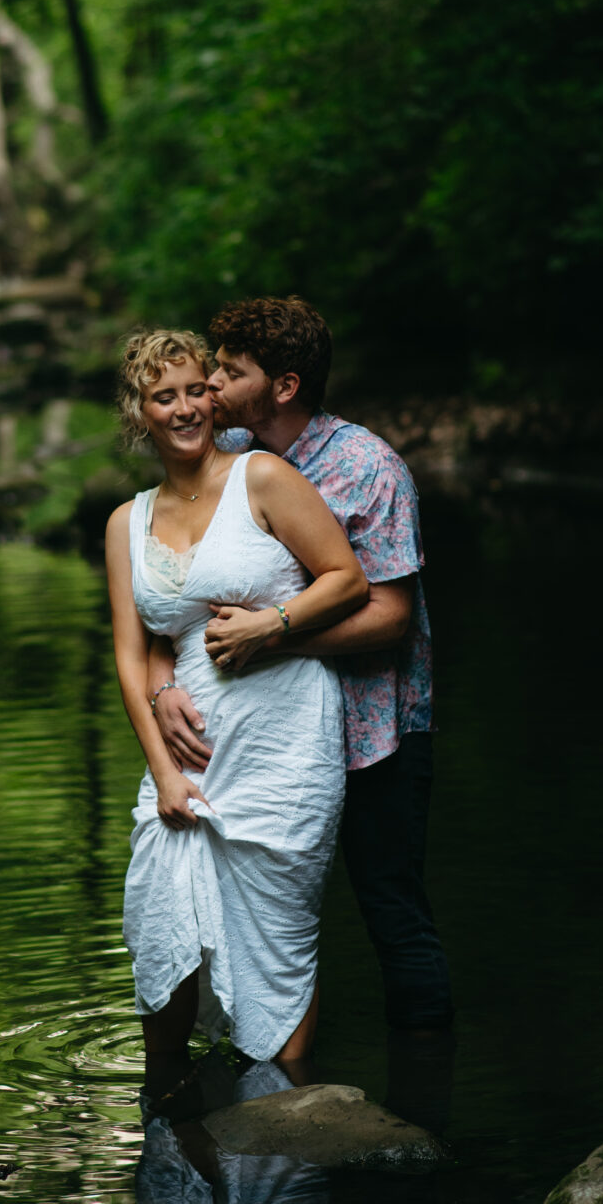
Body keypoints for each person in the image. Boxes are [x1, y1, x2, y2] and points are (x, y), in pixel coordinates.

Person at [150, 296, 454, 1034]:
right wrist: (164, 685)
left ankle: (424, 1108)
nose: (211, 385)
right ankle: (268, 1080)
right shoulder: (226, 466)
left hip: (375, 735)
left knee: (390, 910)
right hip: (267, 735)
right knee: (264, 910)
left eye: (230, 371)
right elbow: (167, 598)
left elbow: (390, 615)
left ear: (283, 387)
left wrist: (271, 635)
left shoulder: (364, 467)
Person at [105, 329, 369, 1073]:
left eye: (197, 389)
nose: (187, 407)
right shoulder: (126, 522)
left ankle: (283, 1113)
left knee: (279, 930)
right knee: (162, 921)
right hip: (188, 755)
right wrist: (162, 771)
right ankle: (167, 1101)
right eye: (166, 396)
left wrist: (272, 621)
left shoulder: (262, 477)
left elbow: (344, 579)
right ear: (140, 413)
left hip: (285, 742)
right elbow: (133, 652)